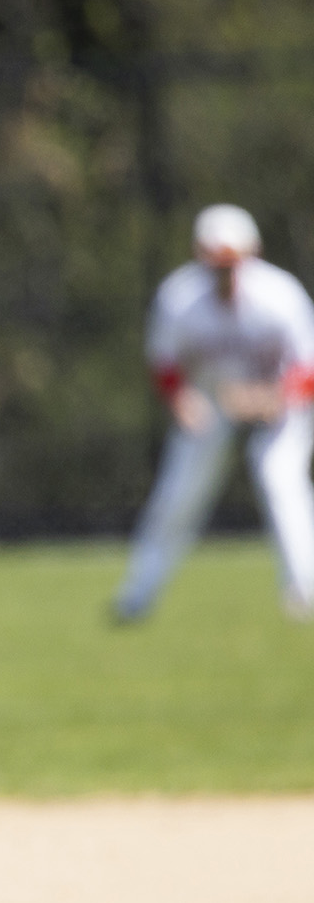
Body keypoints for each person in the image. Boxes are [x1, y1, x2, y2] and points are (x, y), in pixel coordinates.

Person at [112, 204, 314, 624]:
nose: (224, 271)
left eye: (232, 261)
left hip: (279, 400)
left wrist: (270, 399)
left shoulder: (280, 296)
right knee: (179, 491)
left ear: (252, 254)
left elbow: (308, 371)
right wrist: (182, 401)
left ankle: (304, 589)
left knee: (278, 474)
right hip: (211, 399)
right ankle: (138, 594)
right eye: (215, 262)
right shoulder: (180, 298)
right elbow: (164, 365)